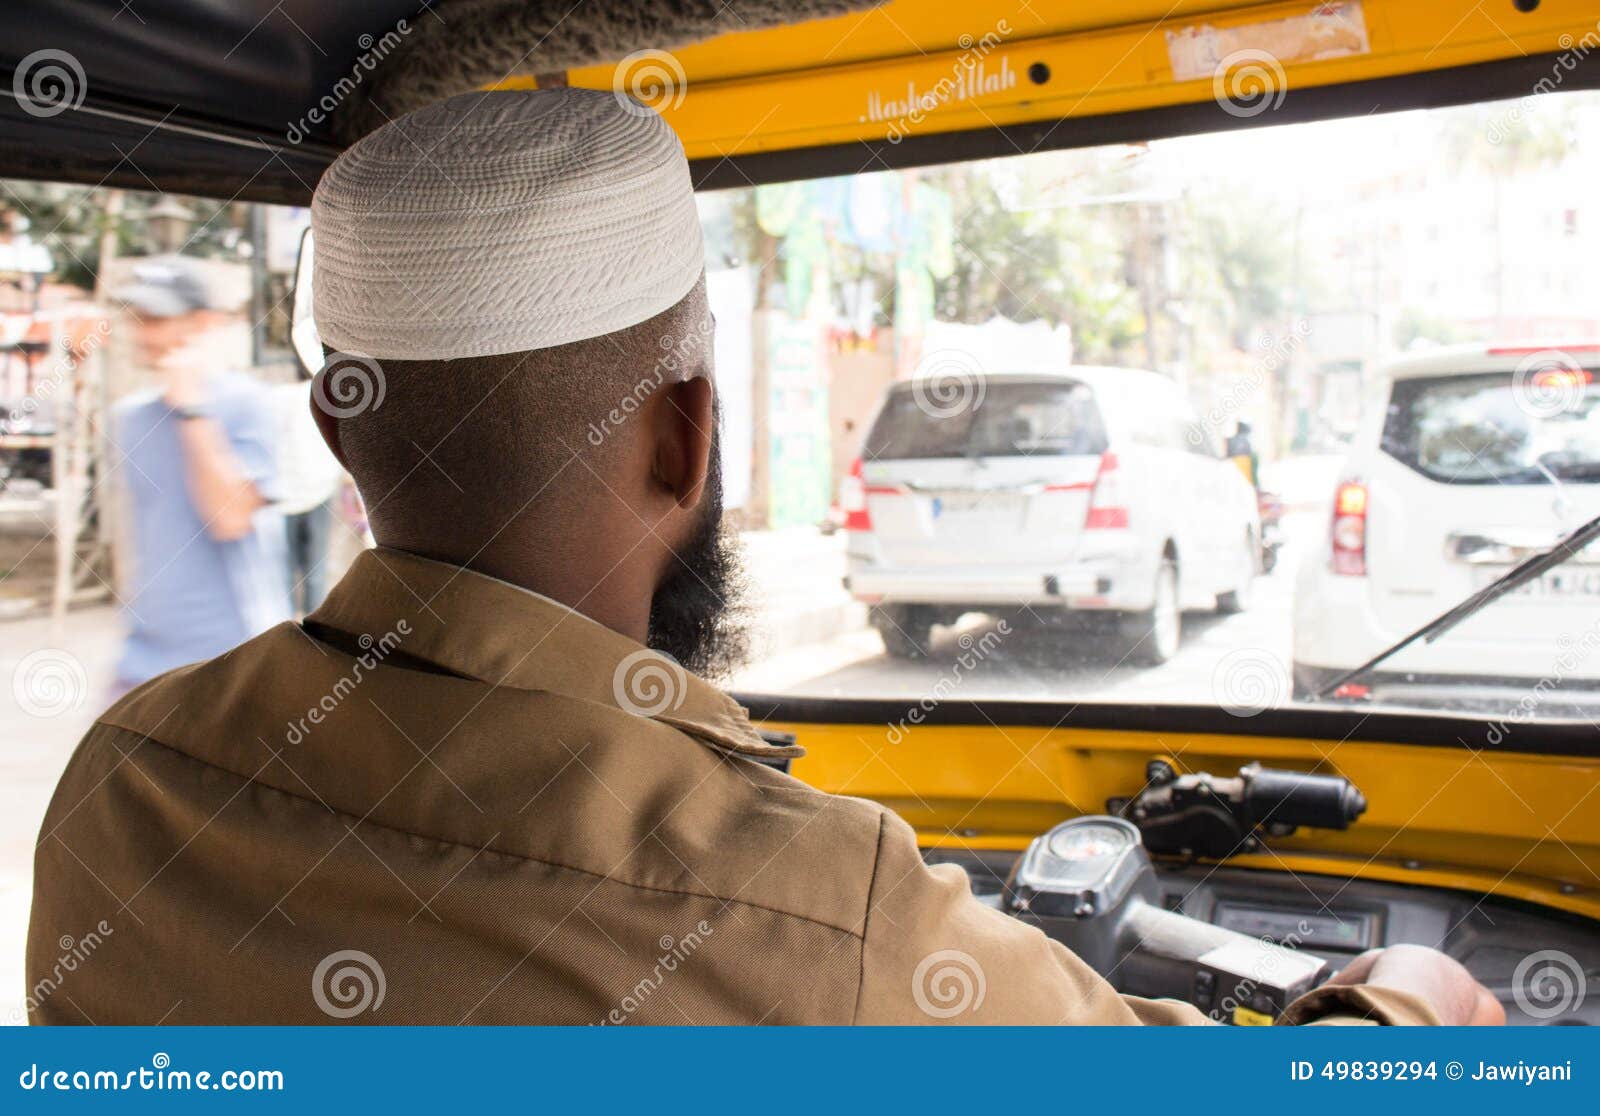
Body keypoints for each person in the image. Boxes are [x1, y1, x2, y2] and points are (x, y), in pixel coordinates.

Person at [26, 90, 1500, 1026]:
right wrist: (1412, 1016)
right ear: (686, 437)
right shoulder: (816, 918)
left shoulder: (125, 782)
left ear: (340, 440)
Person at [101, 257, 291, 699]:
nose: (143, 333)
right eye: (139, 319)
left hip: (232, 660)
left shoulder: (248, 405)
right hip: (142, 661)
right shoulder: (129, 419)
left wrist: (191, 407)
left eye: (158, 319)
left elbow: (230, 518)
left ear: (204, 323)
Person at [269, 365, 343, 614]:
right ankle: (314, 632)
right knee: (315, 571)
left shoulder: (272, 399)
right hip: (315, 493)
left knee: (286, 573)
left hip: (287, 497)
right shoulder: (320, 396)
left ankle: (290, 629)